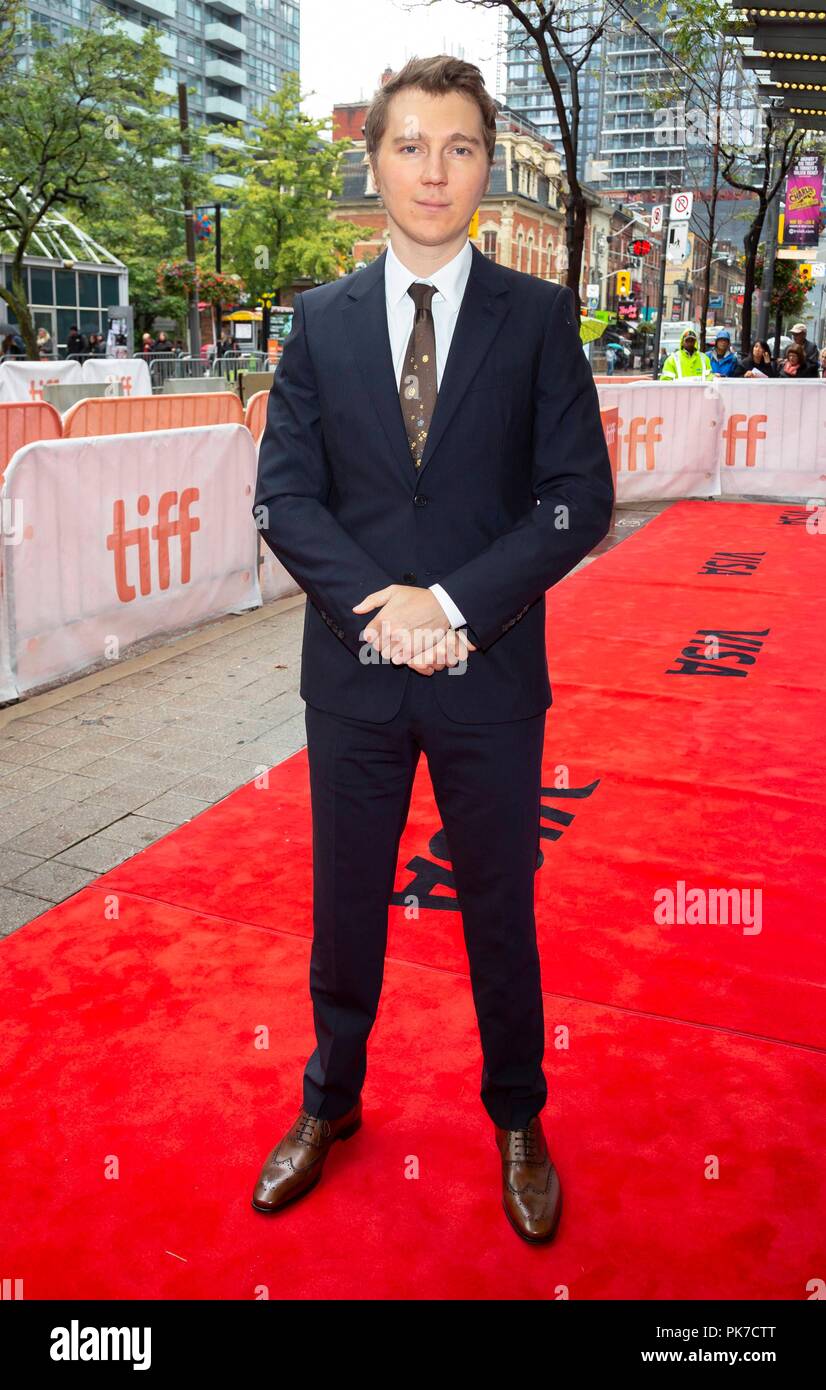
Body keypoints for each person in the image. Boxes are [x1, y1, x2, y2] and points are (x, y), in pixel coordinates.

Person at [250, 54, 614, 1245]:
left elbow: (574, 499)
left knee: (498, 903)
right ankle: (329, 1100)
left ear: (484, 164)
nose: (433, 171)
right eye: (409, 146)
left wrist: (449, 605)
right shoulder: (318, 320)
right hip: (352, 675)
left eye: (459, 148)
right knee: (344, 900)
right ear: (375, 161)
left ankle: (517, 1112)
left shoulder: (538, 317)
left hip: (491, 673)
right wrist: (385, 610)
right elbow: (286, 499)